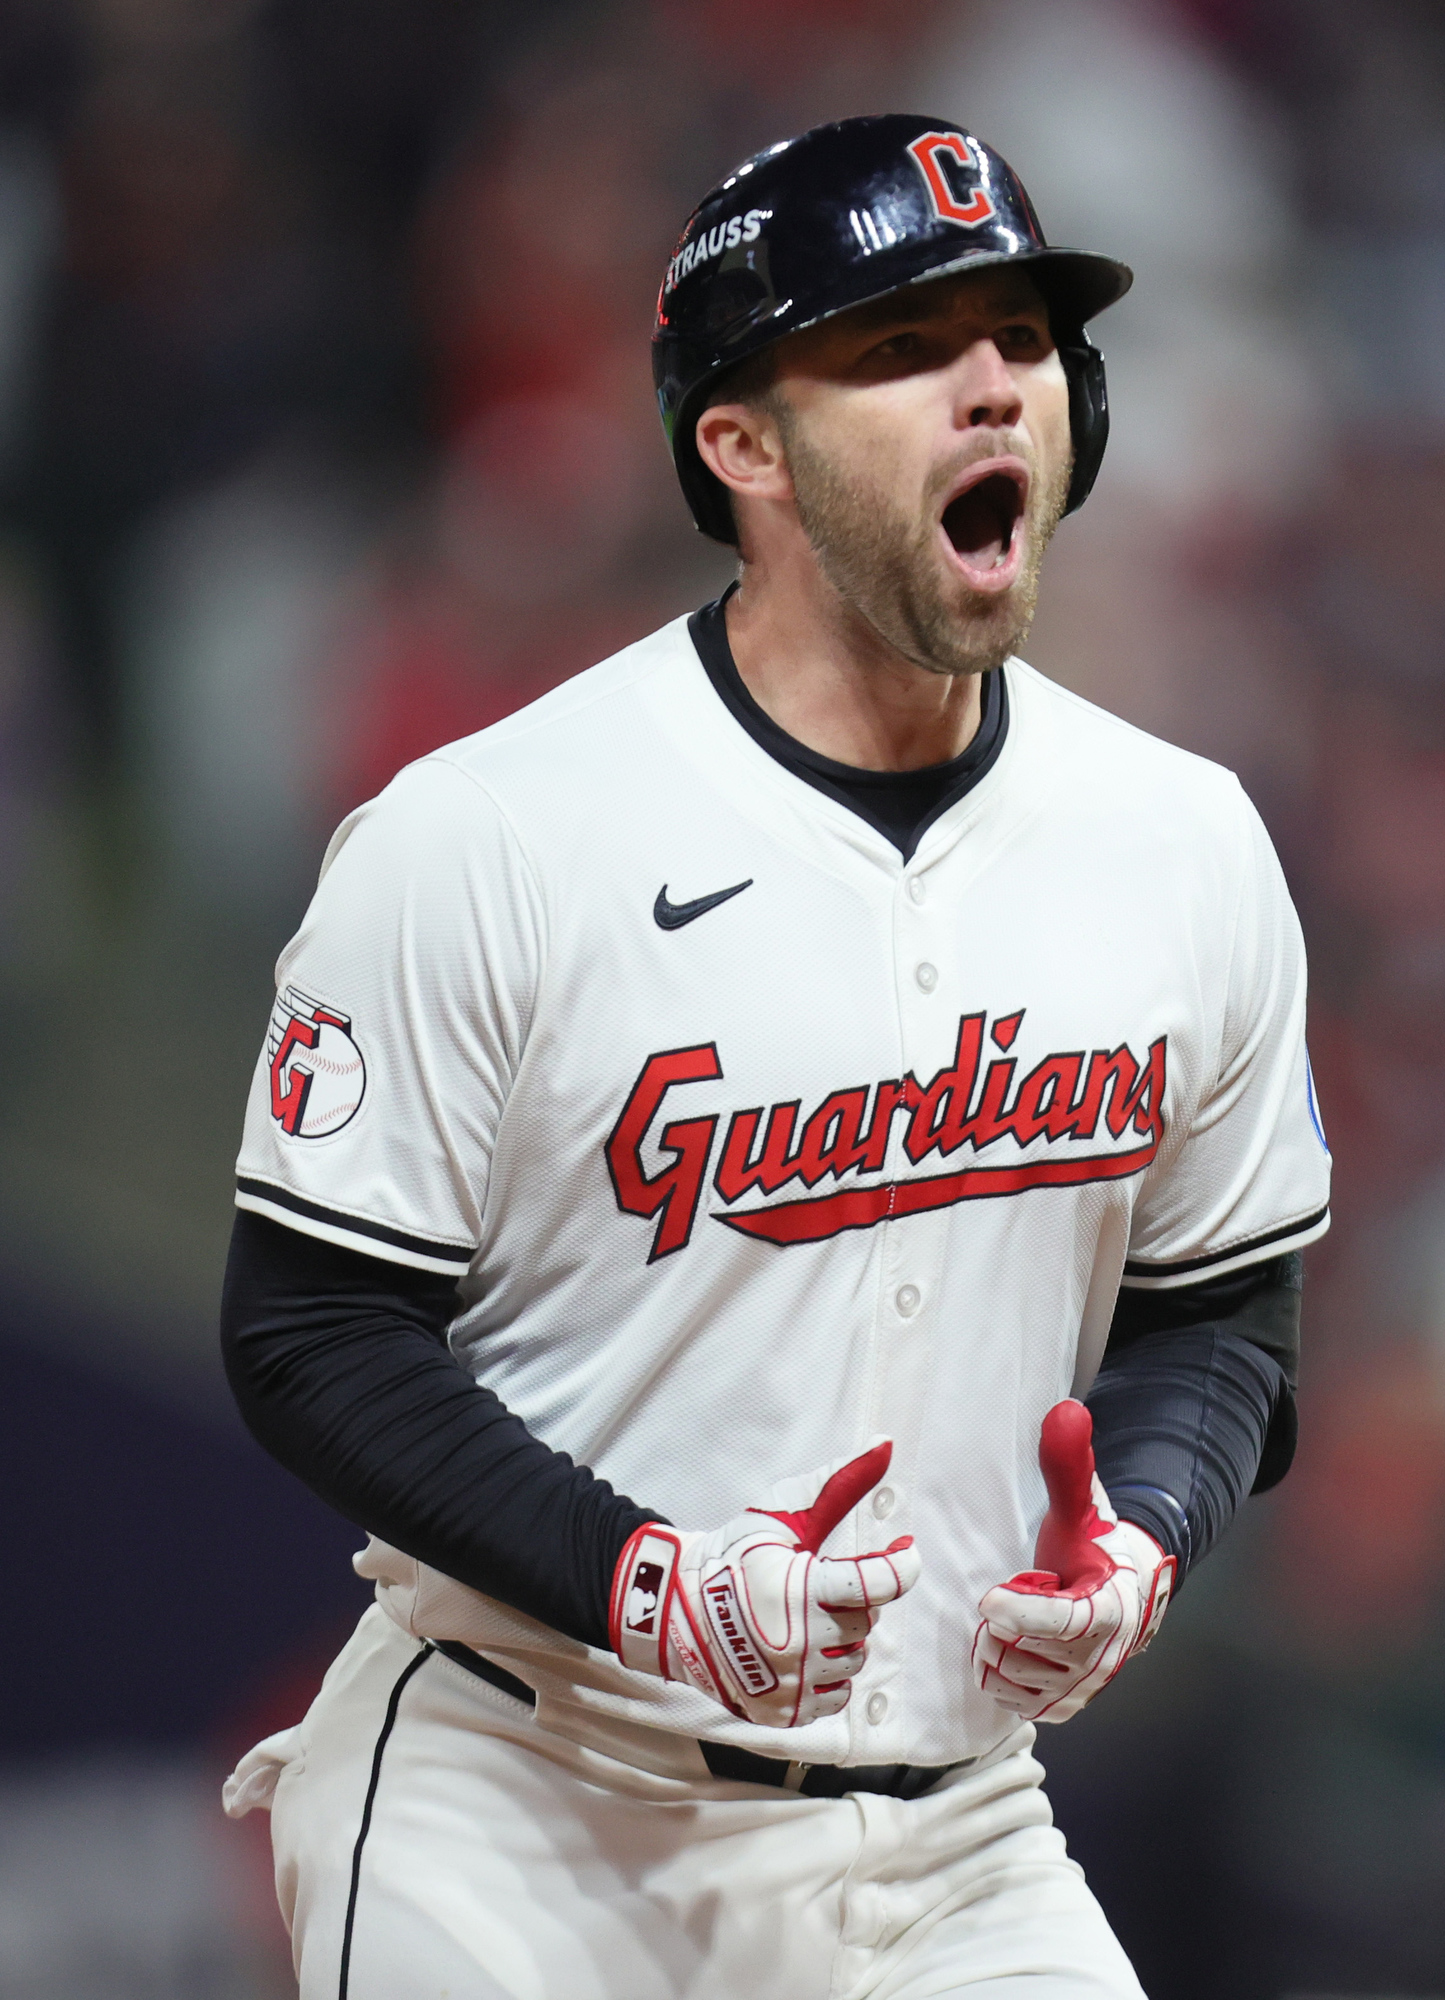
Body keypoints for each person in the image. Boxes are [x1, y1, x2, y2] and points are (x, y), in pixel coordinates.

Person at [220, 115, 1331, 1999]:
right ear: (741, 446)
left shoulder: (1186, 842)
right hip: (527, 1803)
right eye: (904, 347)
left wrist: (1145, 1536)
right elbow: (310, 1331)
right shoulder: (491, 836)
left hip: (960, 1836)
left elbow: (1225, 1317)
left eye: (1023, 337)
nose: (993, 385)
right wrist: (643, 1579)